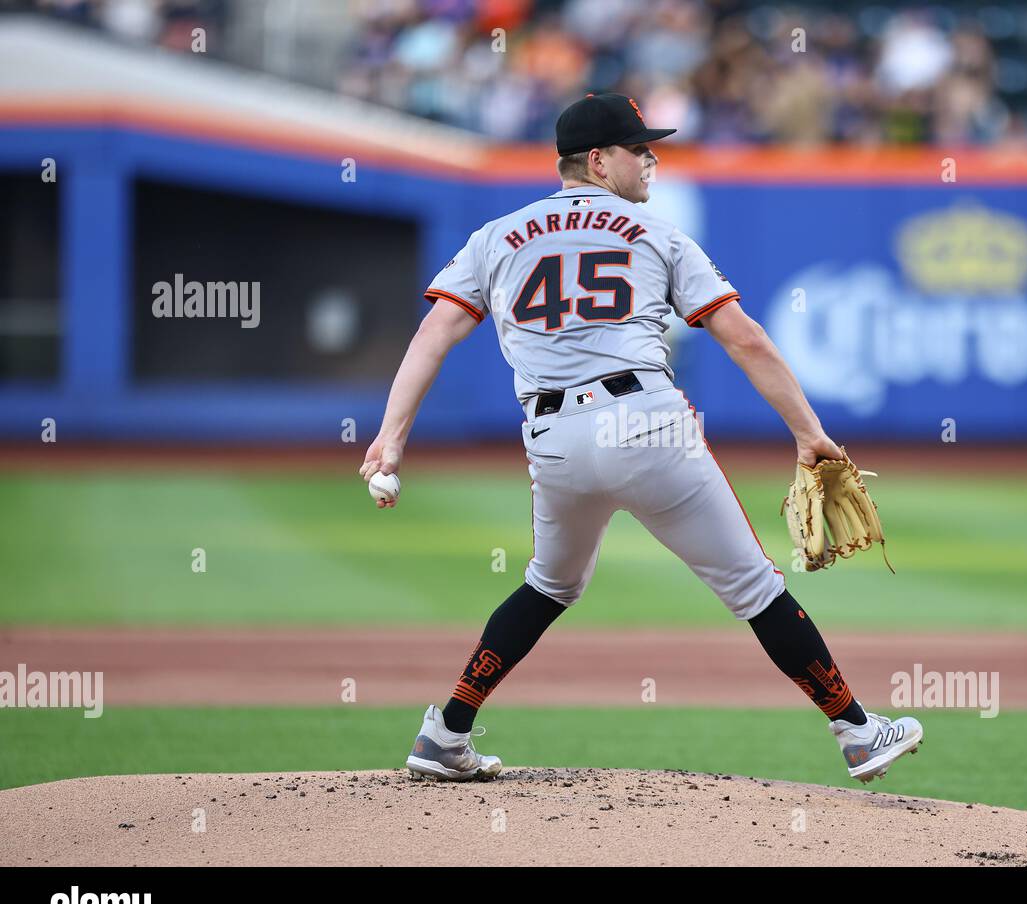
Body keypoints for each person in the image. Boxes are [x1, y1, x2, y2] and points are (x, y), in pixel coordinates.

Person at [359, 92, 922, 785]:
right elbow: (743, 337)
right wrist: (810, 433)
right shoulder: (654, 233)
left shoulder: (496, 237)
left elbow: (433, 334)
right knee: (753, 588)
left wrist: (390, 437)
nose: (652, 159)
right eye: (639, 148)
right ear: (598, 161)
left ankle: (445, 732)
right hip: (646, 423)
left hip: (553, 440)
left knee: (548, 585)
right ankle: (858, 732)